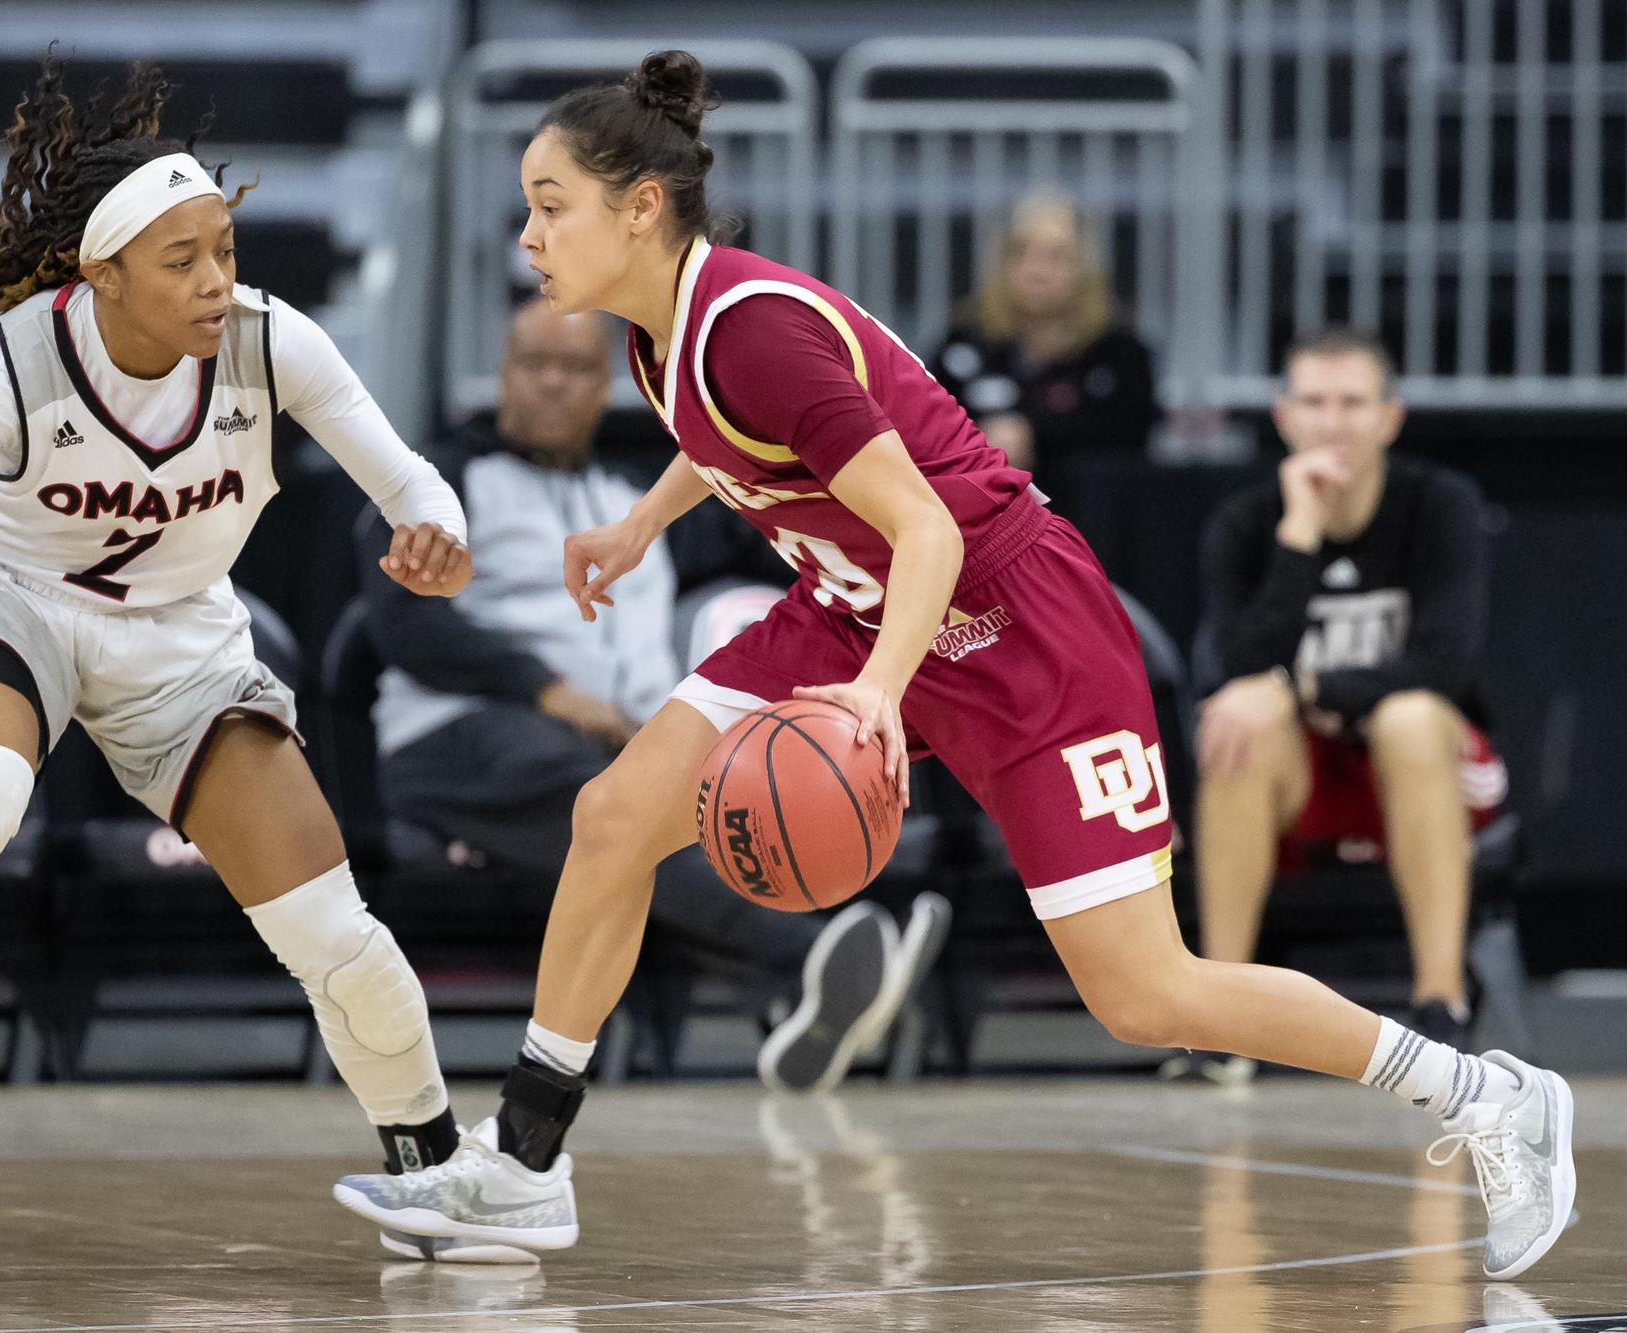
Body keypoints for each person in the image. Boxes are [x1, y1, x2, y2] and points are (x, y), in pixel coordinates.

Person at [330, 51, 1574, 1280]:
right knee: (613, 815)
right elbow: (732, 444)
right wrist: (641, 521)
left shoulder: (748, 329)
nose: (528, 235)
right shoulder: (665, 334)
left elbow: (925, 523)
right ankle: (527, 1162)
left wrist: (874, 693)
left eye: (550, 205)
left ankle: (1484, 1093)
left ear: (639, 206)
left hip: (1014, 626)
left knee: (1146, 994)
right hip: (854, 601)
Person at [0, 55, 489, 1260]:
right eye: (181, 260)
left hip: (179, 631)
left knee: (330, 926)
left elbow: (417, 485)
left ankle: (439, 1176)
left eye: (225, 251)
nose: (215, 280)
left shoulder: (268, 346)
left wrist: (440, 541)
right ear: (103, 276)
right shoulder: (10, 365)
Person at [361, 295, 951, 1093]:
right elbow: (402, 625)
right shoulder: (450, 482)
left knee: (720, 785)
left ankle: (813, 983)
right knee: (601, 796)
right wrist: (545, 690)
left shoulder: (635, 498)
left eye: (574, 369)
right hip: (461, 739)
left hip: (612, 738)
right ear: (500, 375)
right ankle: (813, 954)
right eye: (533, 365)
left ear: (605, 385)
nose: (552, 386)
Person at [1183, 326, 1507, 1084]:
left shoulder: (1440, 505)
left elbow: (1447, 660)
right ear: (1284, 415)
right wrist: (1300, 532)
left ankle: (1441, 1003)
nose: (1333, 421)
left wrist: (1303, 689)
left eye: (1354, 403)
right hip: (1300, 777)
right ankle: (1219, 1021)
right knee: (1237, 725)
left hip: (1433, 770)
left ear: (1389, 418)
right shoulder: (1246, 522)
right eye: (1316, 402)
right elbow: (1236, 671)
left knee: (1412, 715)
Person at [930, 191, 1158, 486]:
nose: (1037, 270)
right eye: (1021, 252)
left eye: (1057, 255)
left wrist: (1033, 434)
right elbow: (927, 424)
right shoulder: (963, 345)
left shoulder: (1119, 353)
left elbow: (1129, 435)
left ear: (1084, 266)